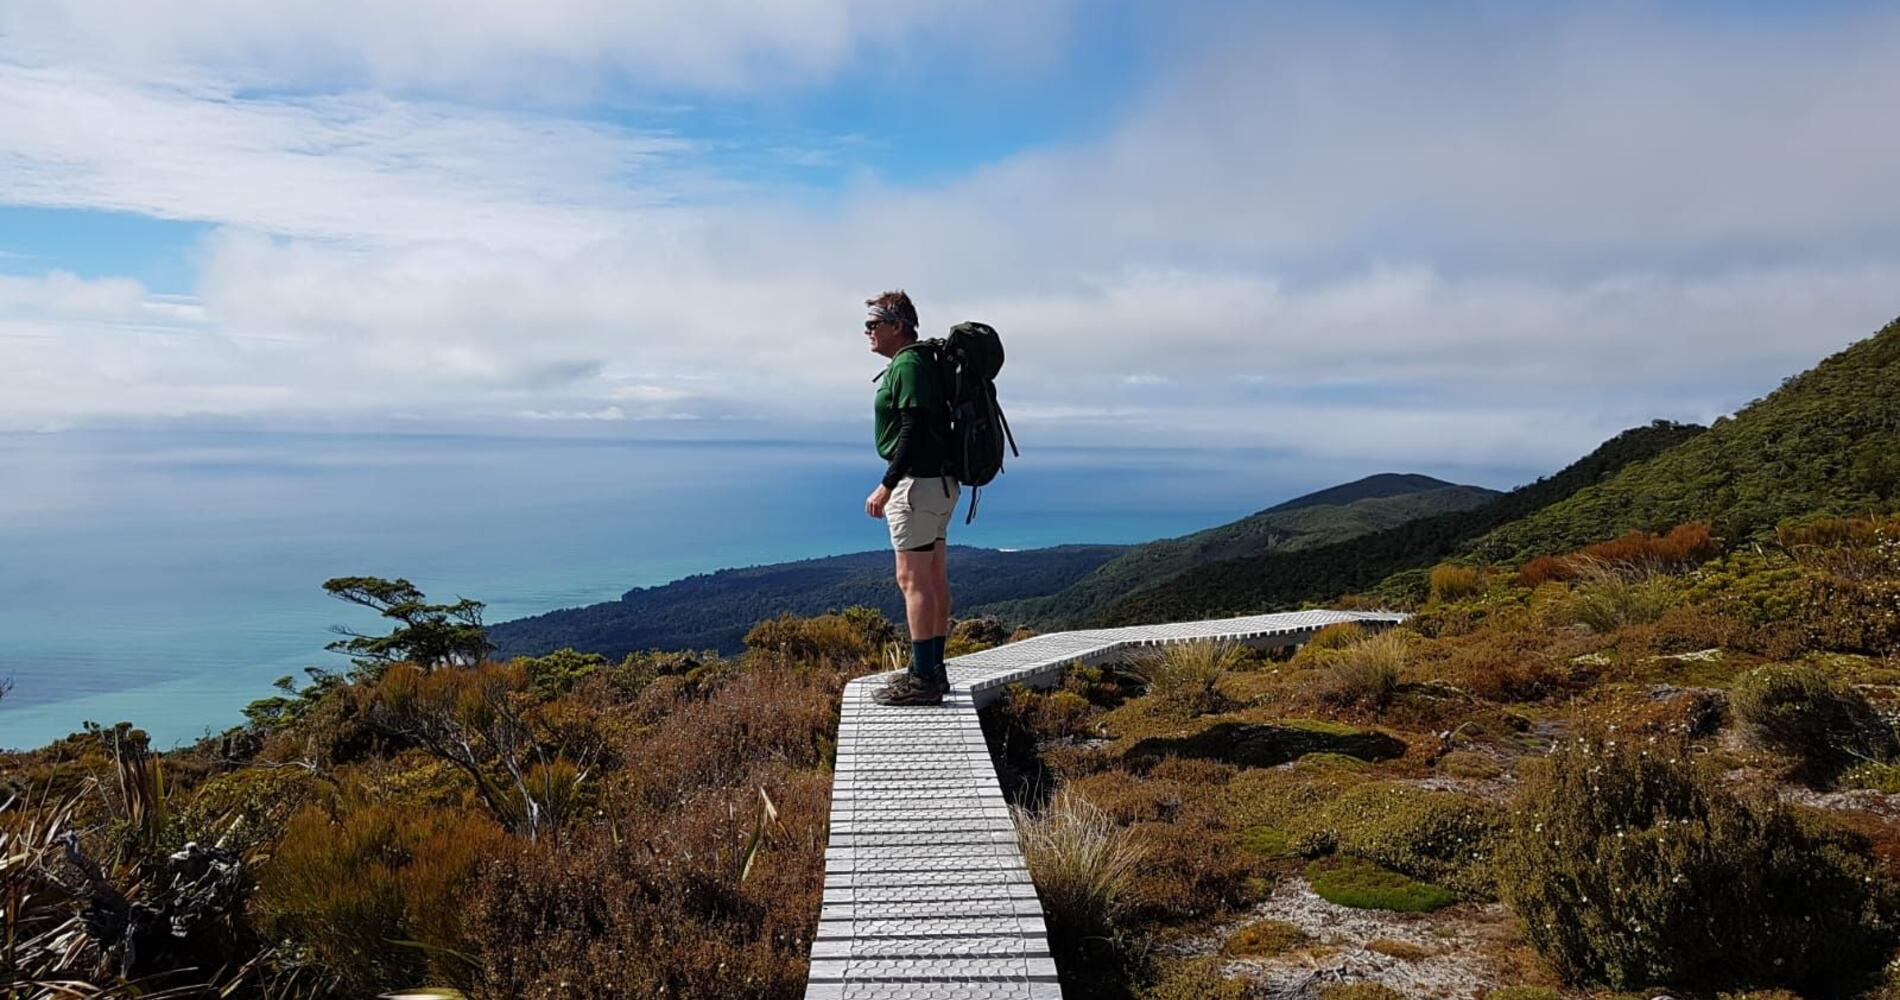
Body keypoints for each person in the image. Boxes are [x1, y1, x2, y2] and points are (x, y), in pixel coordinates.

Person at [862, 289, 960, 706]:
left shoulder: (909, 364)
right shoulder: (922, 362)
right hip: (939, 484)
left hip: (916, 487)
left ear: (897, 325)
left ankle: (922, 678)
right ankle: (933, 670)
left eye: (873, 323)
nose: (867, 331)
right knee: (933, 576)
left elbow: (912, 429)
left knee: (913, 581)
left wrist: (887, 483)